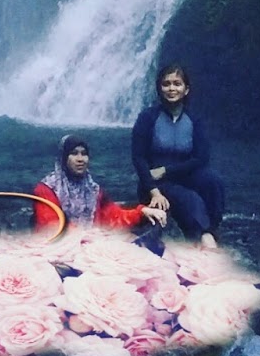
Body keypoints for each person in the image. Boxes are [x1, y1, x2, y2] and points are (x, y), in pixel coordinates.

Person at [131, 62, 225, 247]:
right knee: (190, 199)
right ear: (159, 88)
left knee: (214, 182)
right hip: (154, 183)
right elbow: (138, 158)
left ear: (186, 89)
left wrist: (166, 170)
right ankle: (205, 238)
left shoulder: (194, 120)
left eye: (177, 83)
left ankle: (211, 230)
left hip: (180, 175)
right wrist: (154, 192)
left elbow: (201, 158)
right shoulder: (147, 118)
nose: (171, 88)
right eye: (166, 84)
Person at [32, 134, 168, 232]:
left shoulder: (93, 190)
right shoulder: (46, 189)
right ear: (63, 158)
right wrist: (86, 236)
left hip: (90, 245)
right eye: (74, 153)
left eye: (84, 154)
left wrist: (142, 212)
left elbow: (114, 217)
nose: (80, 159)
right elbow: (51, 225)